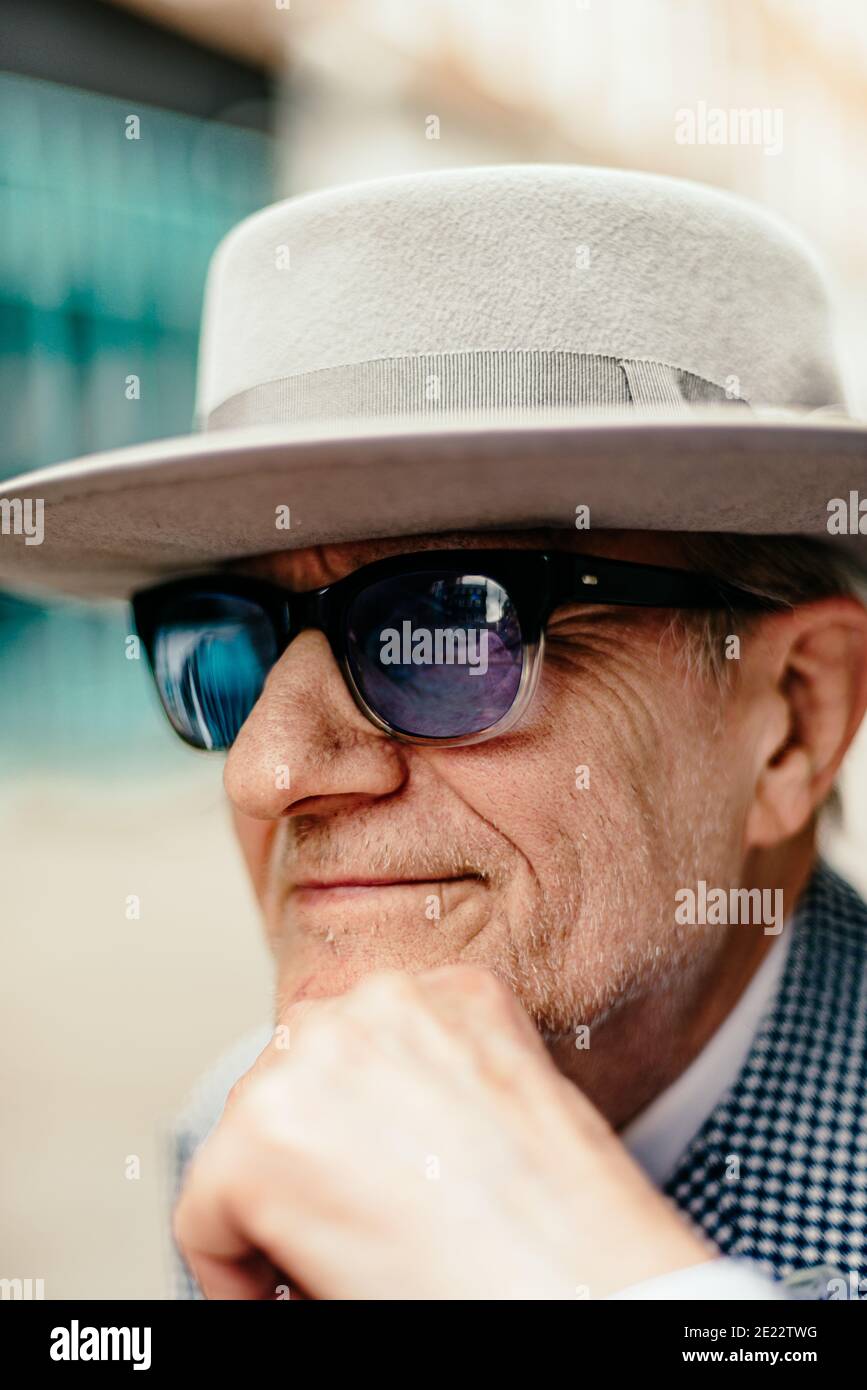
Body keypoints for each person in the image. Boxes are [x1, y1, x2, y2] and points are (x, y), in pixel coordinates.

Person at [3, 165, 866, 1301]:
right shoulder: (254, 1147)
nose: (267, 770)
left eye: (445, 629)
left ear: (794, 721)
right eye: (225, 645)